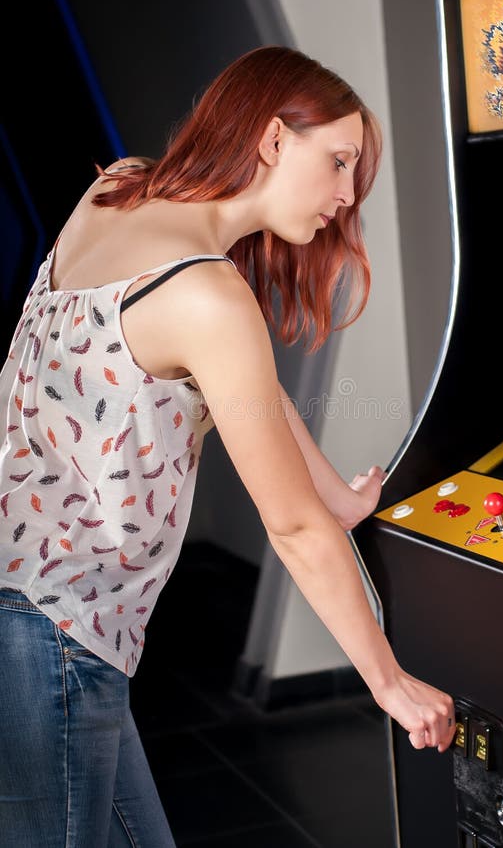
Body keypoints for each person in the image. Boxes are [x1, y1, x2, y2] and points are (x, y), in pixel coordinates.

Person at [0, 45, 456, 847]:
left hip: (42, 616)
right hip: (52, 638)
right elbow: (291, 528)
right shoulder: (206, 294)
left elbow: (246, 389)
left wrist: (339, 498)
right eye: (338, 160)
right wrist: (389, 683)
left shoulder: (117, 188)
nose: (347, 193)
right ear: (274, 139)